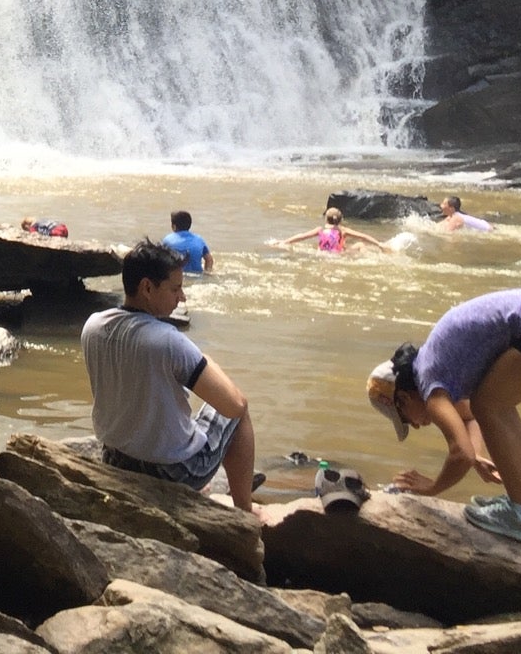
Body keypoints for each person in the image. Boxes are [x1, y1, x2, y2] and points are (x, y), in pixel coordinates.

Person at [366, 287, 521, 546]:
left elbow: (459, 453)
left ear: (404, 398)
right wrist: (476, 457)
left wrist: (431, 488)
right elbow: (469, 418)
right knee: (496, 405)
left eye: (406, 420)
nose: (417, 427)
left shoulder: (429, 383)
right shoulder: (436, 364)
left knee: (489, 405)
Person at [81, 239, 259, 513]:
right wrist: (206, 360)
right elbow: (233, 405)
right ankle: (244, 511)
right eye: (175, 288)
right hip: (173, 471)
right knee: (239, 408)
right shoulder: (168, 341)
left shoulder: (93, 325)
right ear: (147, 288)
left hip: (115, 458)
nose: (182, 297)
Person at [282, 207, 387, 254]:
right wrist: (379, 244)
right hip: (338, 254)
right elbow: (363, 236)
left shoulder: (320, 230)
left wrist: (285, 242)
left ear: (326, 219)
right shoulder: (343, 230)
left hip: (321, 254)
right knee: (360, 244)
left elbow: (302, 236)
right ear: (340, 220)